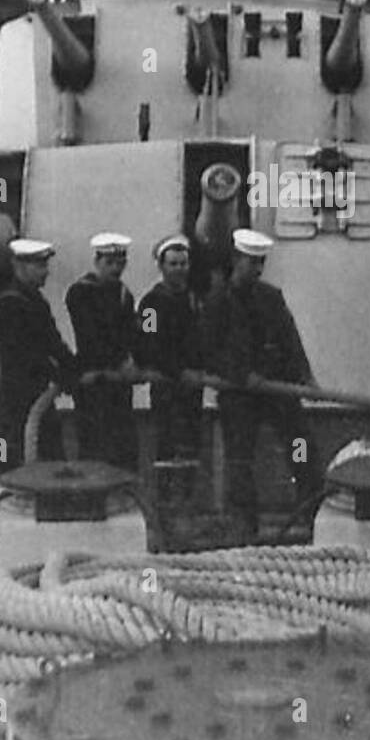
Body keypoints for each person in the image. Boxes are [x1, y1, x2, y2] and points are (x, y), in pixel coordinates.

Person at [202, 229, 318, 540]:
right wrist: (241, 375)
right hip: (240, 395)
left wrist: (306, 377)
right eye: (251, 262)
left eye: (260, 263)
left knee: (300, 445)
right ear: (237, 260)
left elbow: (289, 337)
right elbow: (208, 350)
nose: (256, 269)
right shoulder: (217, 302)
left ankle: (312, 508)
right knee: (240, 458)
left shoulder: (271, 297)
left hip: (277, 389)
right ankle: (244, 524)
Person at [0, 238, 77, 535]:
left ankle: (50, 523)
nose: (45, 272)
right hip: (18, 397)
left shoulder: (36, 302)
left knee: (50, 456)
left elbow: (54, 343)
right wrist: (59, 374)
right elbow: (23, 354)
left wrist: (73, 370)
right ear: (19, 266)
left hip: (41, 397)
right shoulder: (8, 305)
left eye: (44, 265)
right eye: (38, 265)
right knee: (5, 454)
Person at [65, 232, 139, 470]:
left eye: (120, 263)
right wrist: (119, 361)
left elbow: (131, 333)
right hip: (93, 380)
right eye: (110, 263)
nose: (116, 269)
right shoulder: (80, 293)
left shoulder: (125, 295)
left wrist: (132, 360)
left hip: (118, 383)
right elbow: (89, 337)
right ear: (97, 262)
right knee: (94, 447)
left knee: (123, 447)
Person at [135, 234, 205, 463]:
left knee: (192, 444)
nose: (179, 269)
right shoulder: (150, 304)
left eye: (183, 263)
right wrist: (177, 371)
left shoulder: (195, 300)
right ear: (162, 266)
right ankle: (164, 495)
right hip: (166, 384)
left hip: (193, 386)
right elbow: (147, 344)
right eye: (173, 264)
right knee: (166, 444)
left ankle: (187, 495)